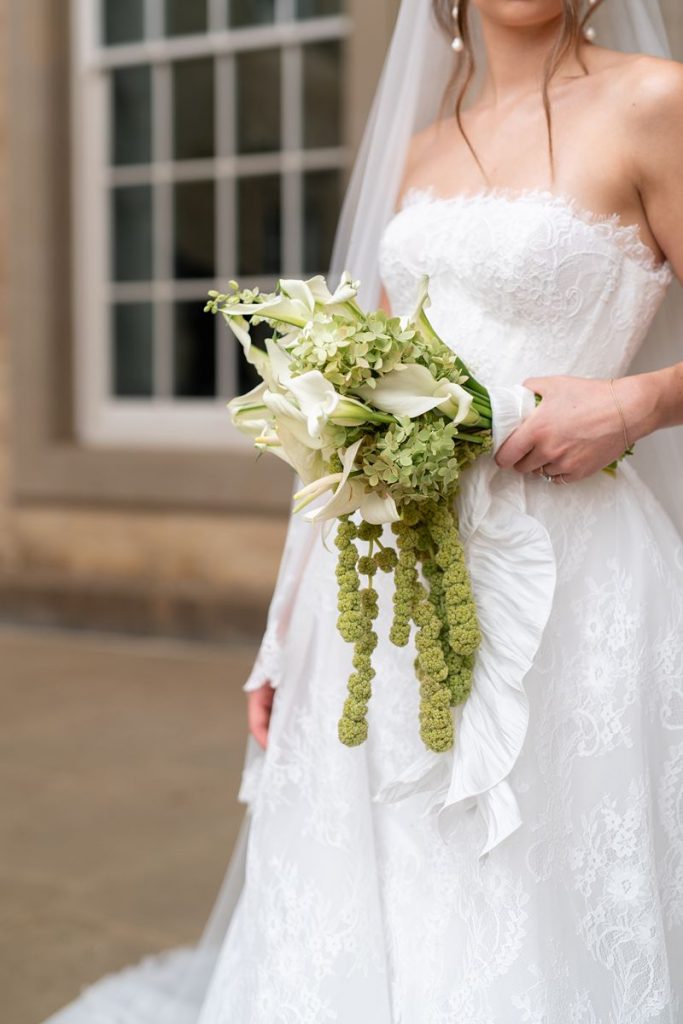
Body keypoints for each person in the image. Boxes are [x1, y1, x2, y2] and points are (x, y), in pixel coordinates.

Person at [45, 1, 683, 1021]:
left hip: (569, 579)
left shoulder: (653, 103)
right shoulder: (417, 148)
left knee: (531, 864)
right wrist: (285, 625)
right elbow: (346, 414)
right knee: (395, 869)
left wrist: (631, 403)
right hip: (382, 586)